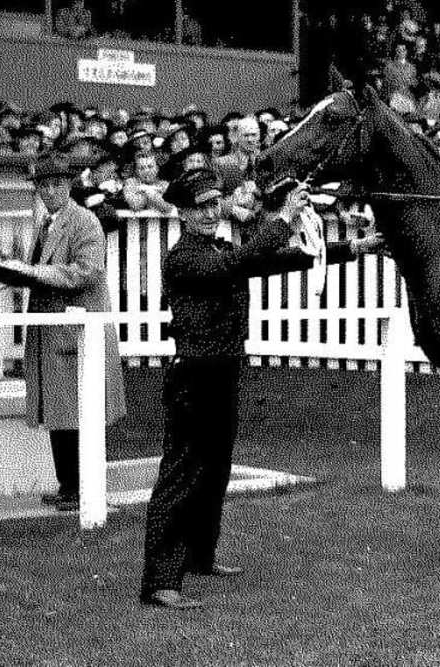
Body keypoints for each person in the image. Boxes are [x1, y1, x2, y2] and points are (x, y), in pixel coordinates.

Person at [139, 169, 384, 610]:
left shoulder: (216, 248)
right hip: (195, 376)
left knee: (214, 470)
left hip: (221, 371)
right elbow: (241, 262)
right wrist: (283, 218)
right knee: (181, 474)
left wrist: (353, 248)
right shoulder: (184, 258)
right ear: (182, 212)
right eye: (201, 206)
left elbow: (270, 260)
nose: (212, 212)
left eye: (215, 203)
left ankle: (200, 556)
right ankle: (160, 580)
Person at [1, 154, 126, 512]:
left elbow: (87, 272)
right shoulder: (47, 224)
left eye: (57, 183)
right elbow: (43, 271)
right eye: (44, 184)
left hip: (76, 332)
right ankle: (68, 485)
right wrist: (18, 269)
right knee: (60, 413)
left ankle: (82, 487)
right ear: (38, 189)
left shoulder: (85, 222)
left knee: (79, 413)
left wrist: (33, 272)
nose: (51, 190)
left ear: (68, 185)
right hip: (54, 330)